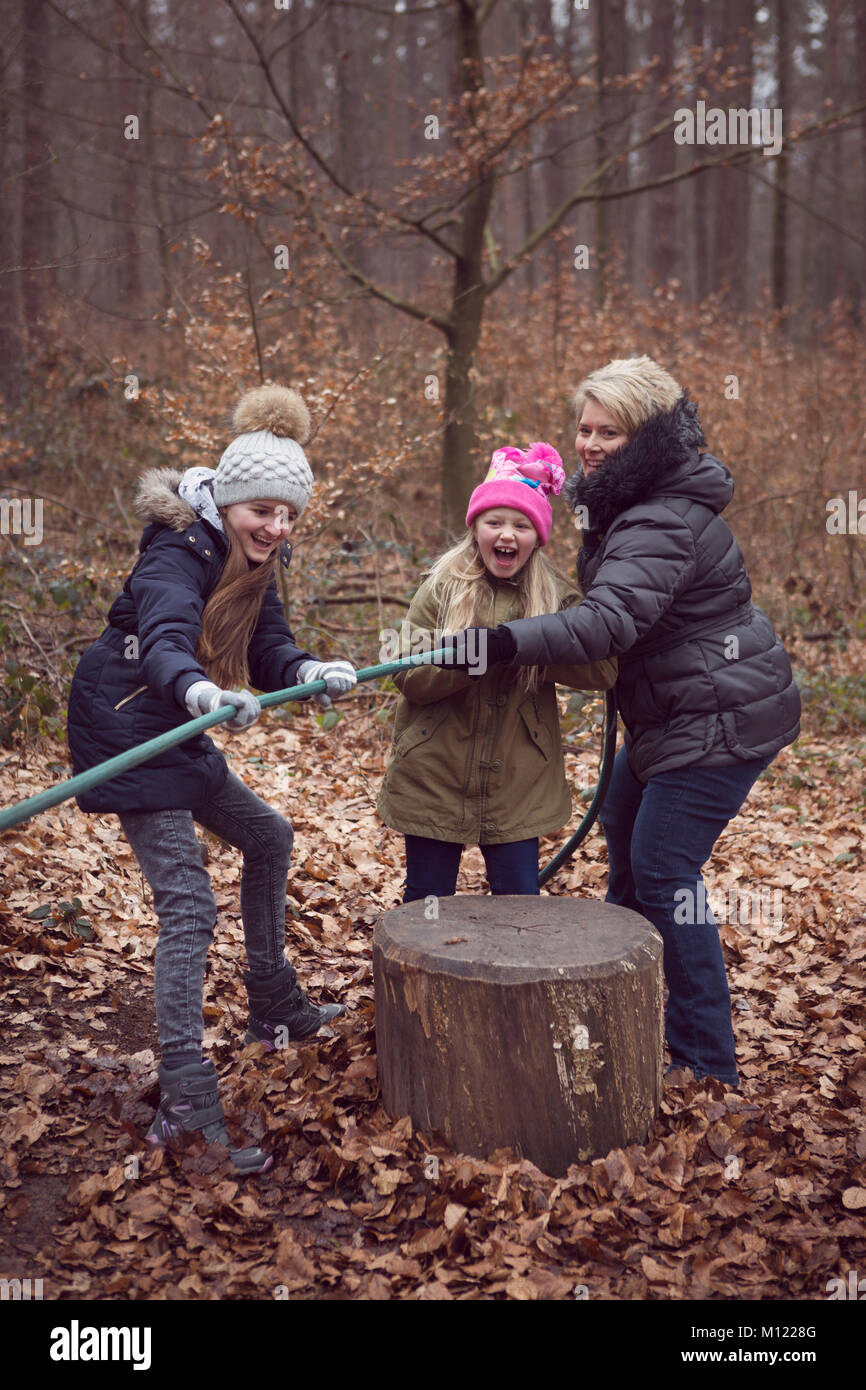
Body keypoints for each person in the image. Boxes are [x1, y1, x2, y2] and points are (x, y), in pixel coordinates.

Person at [439, 357, 801, 1088]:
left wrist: (505, 644)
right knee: (621, 822)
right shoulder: (637, 502)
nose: (593, 444)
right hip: (682, 711)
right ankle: (626, 1000)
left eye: (612, 431)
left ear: (650, 436)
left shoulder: (660, 516)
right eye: (586, 429)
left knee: (666, 869)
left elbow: (608, 621)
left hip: (720, 718)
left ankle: (705, 1064)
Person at [67, 384, 357, 1172]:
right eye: (264, 509)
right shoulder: (176, 550)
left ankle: (273, 1004)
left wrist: (310, 670)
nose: (277, 525)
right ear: (230, 500)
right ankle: (187, 1101)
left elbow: (271, 646)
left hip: (181, 724)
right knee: (189, 904)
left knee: (269, 835)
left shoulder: (257, 555)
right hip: (131, 720)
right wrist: (196, 688)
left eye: (289, 512)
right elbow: (163, 633)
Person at [377, 442, 617, 901]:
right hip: (434, 772)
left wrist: (524, 648)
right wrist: (461, 665)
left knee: (518, 904)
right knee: (427, 902)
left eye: (521, 525)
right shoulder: (444, 585)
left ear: (537, 535)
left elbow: (603, 668)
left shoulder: (557, 596)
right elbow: (406, 673)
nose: (507, 534)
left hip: (518, 780)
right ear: (476, 528)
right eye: (495, 522)